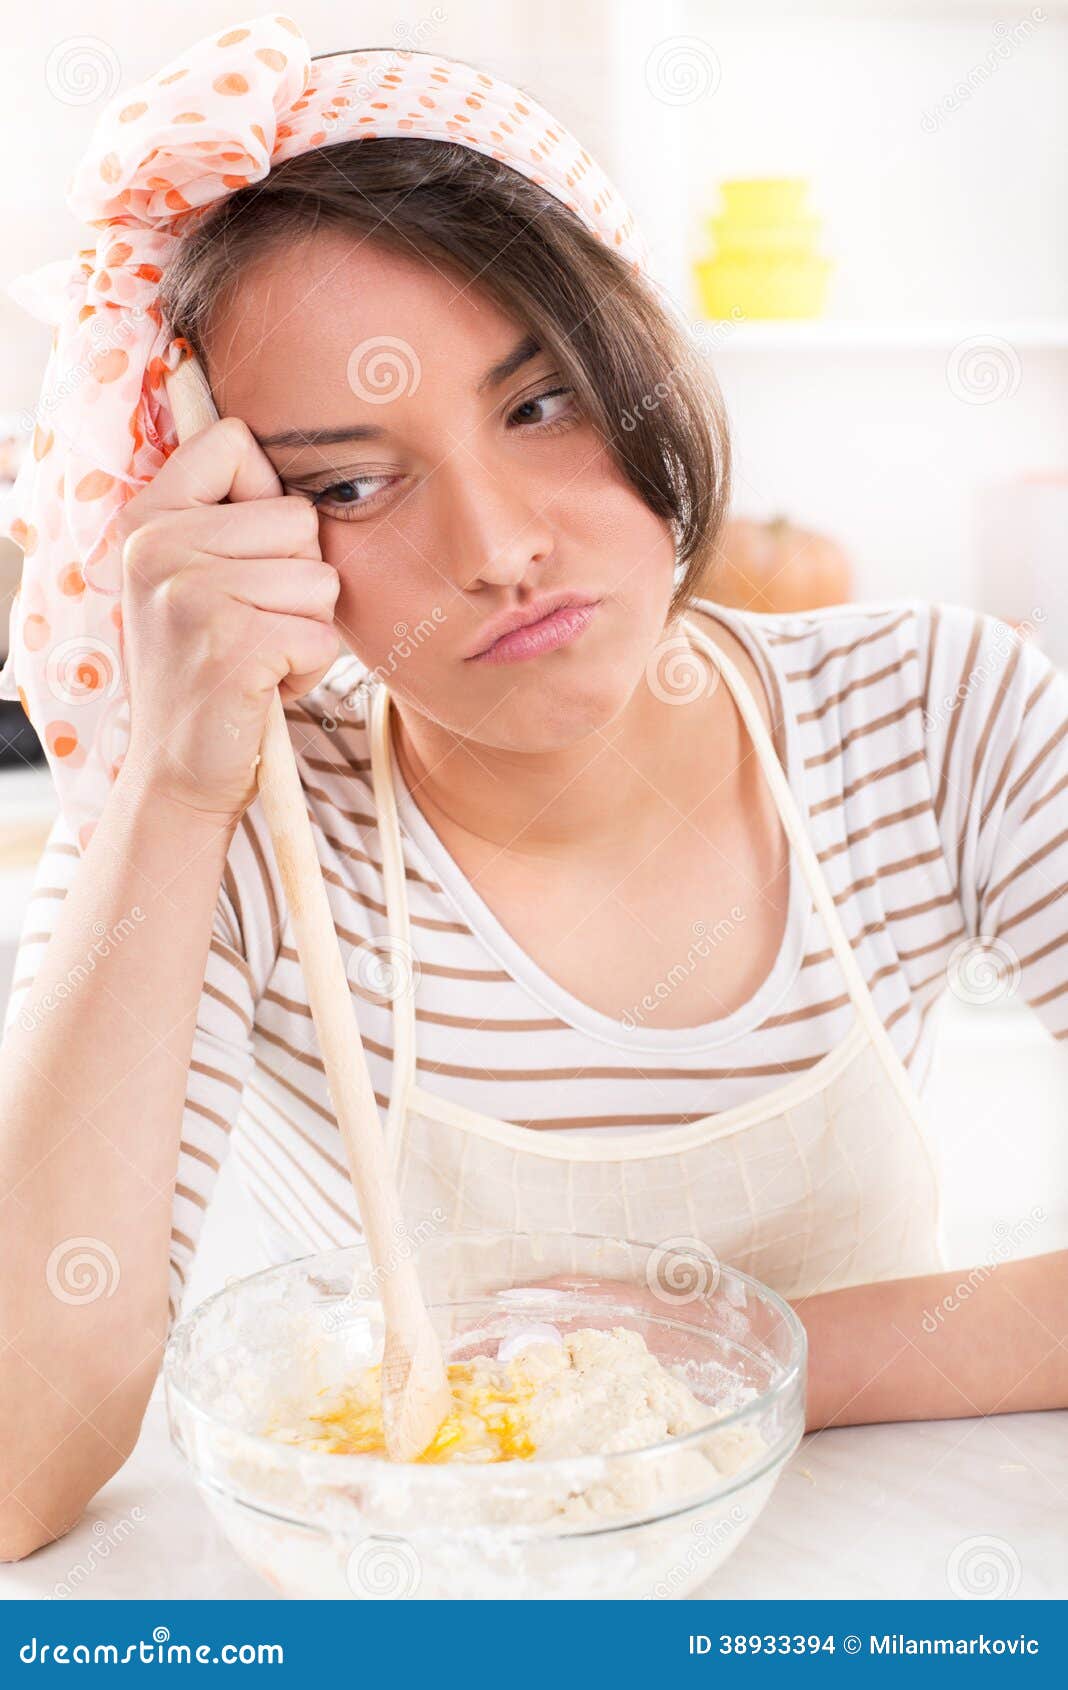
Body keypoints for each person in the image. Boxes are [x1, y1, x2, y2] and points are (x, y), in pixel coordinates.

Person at [1, 23, 1066, 1564]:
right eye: (348, 484)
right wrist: (169, 784)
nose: (496, 547)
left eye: (543, 399)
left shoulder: (941, 718)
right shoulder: (230, 821)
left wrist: (706, 1374)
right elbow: (17, 1466)